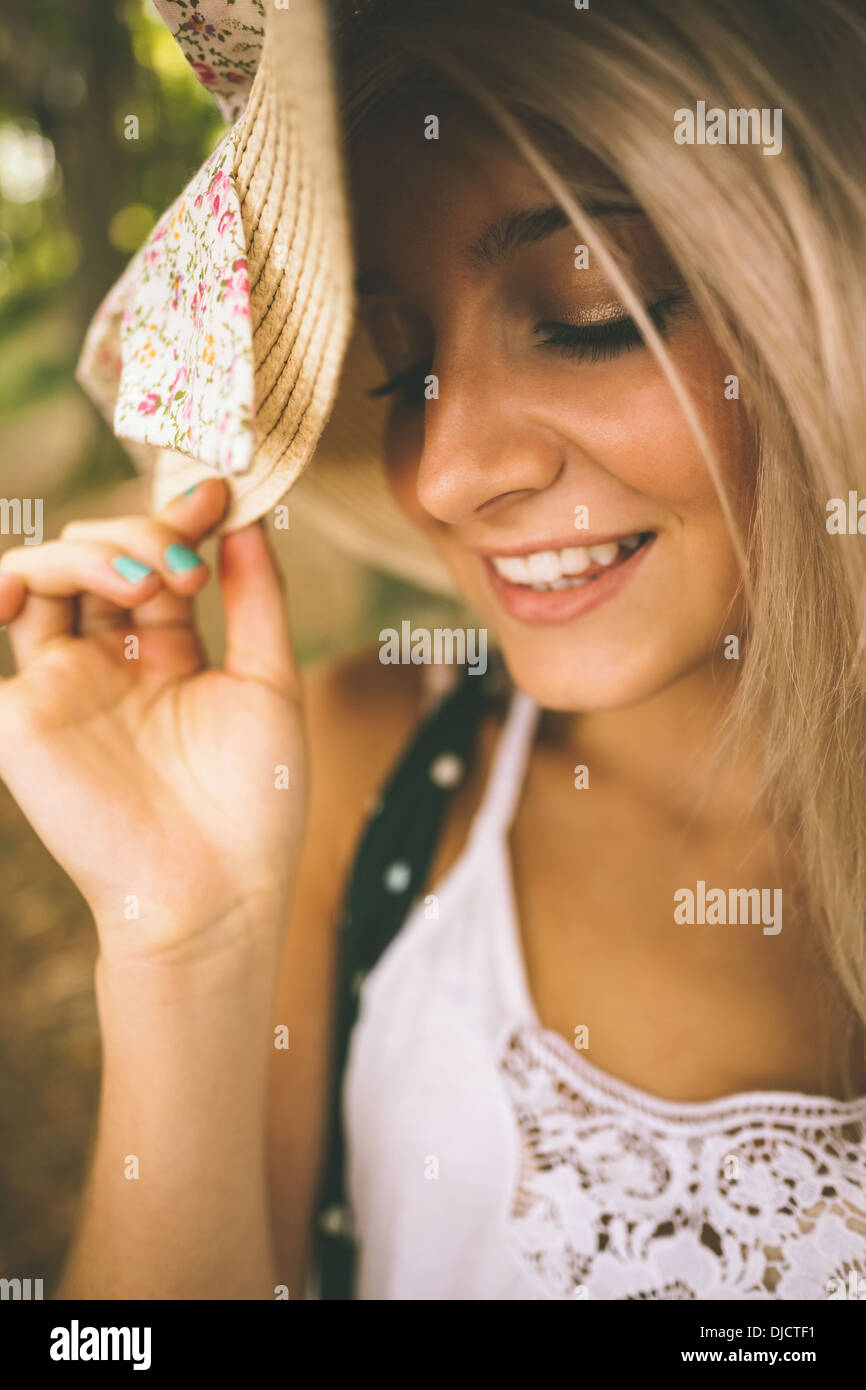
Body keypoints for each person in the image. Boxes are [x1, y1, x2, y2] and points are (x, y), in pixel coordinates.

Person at [1, 0, 865, 1300]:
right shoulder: (371, 770)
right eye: (398, 365)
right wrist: (183, 938)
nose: (443, 471)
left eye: (582, 307)